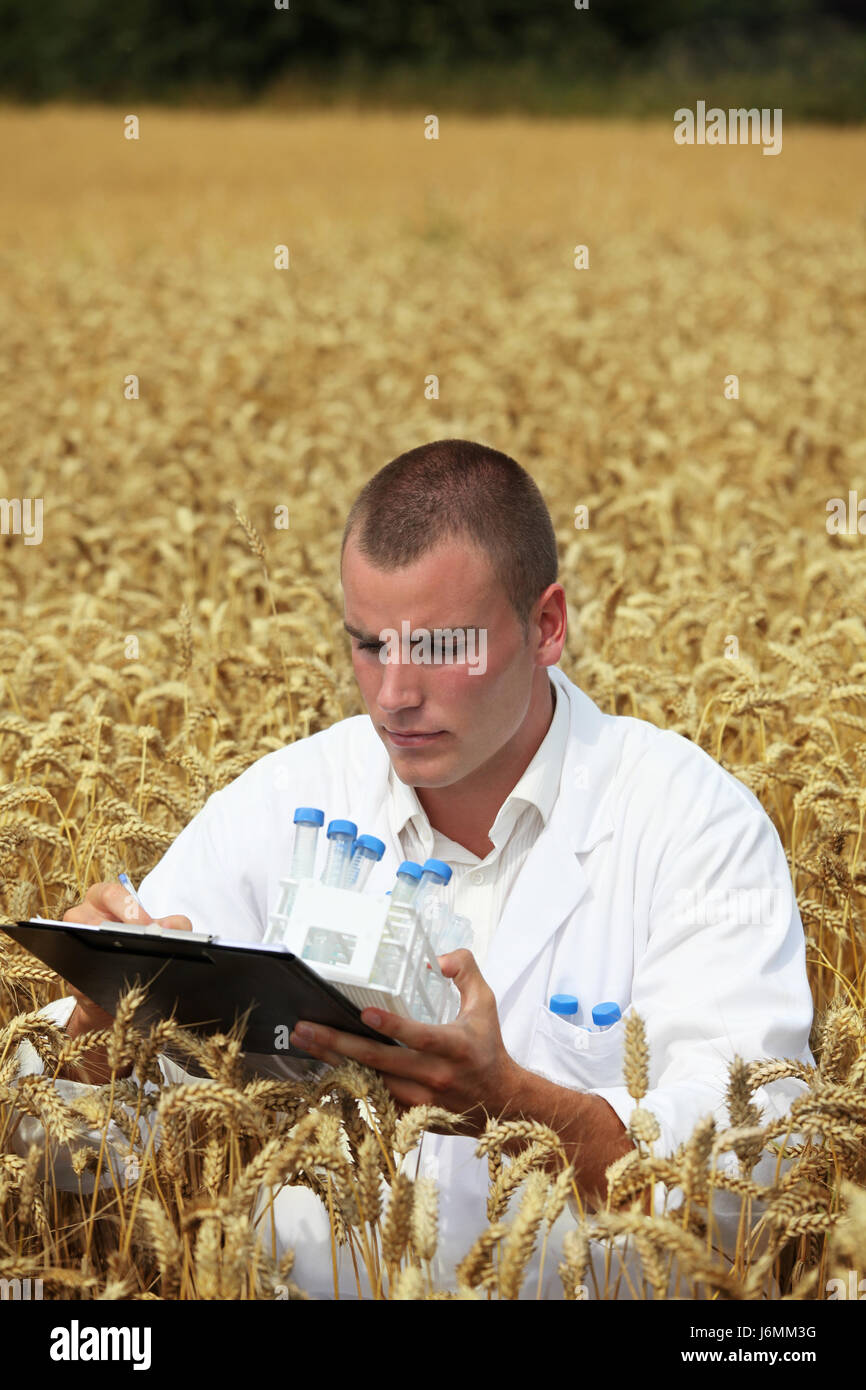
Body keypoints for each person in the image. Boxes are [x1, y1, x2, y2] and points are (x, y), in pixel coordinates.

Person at [14, 439, 814, 1297]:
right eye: (368, 645)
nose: (393, 693)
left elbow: (761, 1168)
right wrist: (100, 1032)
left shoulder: (690, 820)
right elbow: (55, 1164)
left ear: (547, 626)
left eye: (440, 647)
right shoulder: (285, 801)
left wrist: (509, 1101)